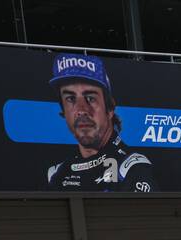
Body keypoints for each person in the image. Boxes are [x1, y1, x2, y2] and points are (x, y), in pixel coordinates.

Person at [45, 53, 155, 191]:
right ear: (63, 111)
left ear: (109, 109)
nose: (81, 110)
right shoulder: (56, 175)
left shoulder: (131, 167)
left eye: (90, 98)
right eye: (71, 99)